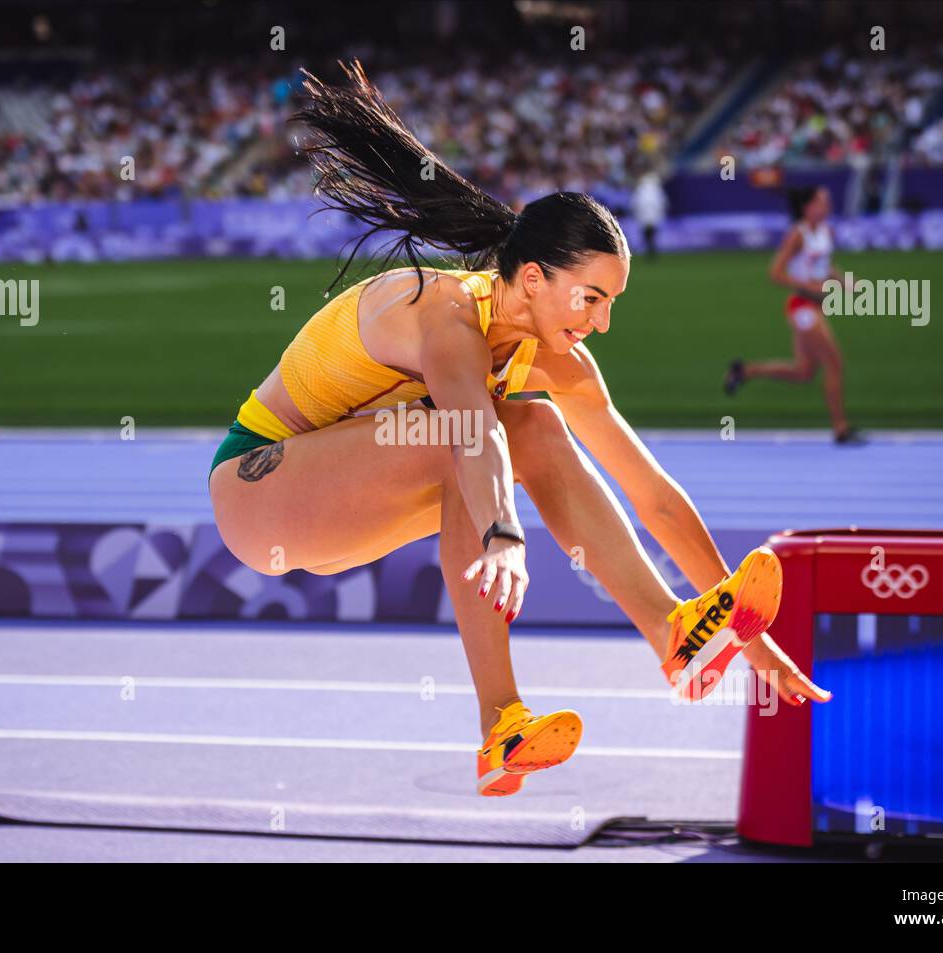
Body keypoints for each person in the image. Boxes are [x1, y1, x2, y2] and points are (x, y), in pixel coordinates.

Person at [208, 63, 829, 797]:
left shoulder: (561, 364)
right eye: (591, 298)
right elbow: (471, 435)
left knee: (532, 423)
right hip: (260, 489)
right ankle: (498, 717)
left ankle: (673, 635)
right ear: (532, 278)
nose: (600, 323)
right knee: (474, 429)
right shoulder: (439, 313)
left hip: (353, 493)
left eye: (611, 304)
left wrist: (748, 642)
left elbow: (650, 492)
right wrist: (504, 532)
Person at [724, 185, 862, 444]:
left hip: (815, 306)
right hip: (802, 306)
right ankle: (841, 429)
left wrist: (846, 282)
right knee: (834, 364)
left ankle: (744, 372)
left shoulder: (823, 232)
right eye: (821, 202)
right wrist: (809, 286)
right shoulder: (797, 235)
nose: (827, 206)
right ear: (806, 207)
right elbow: (775, 272)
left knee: (804, 372)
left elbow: (824, 265)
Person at [630, 167, 667, 259]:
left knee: (648, 234)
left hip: (645, 216)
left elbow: (635, 203)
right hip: (653, 215)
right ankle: (651, 250)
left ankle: (649, 250)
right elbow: (662, 202)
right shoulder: (656, 190)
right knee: (651, 233)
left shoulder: (641, 190)